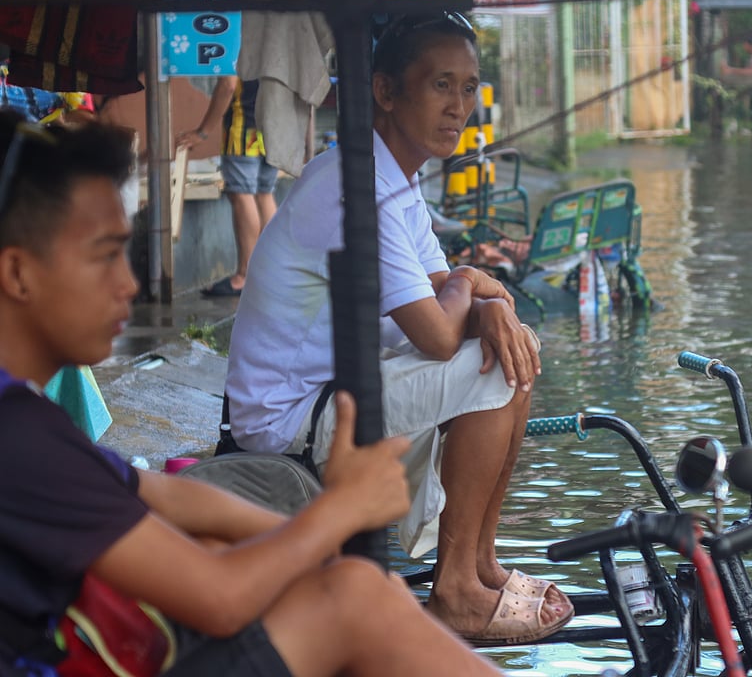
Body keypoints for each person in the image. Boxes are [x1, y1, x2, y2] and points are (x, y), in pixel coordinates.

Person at [0, 110, 505, 677]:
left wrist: (320, 547)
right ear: (18, 274)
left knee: (314, 569)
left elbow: (170, 497)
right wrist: (342, 512)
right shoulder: (16, 435)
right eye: (103, 255)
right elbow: (220, 598)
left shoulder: (27, 419)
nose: (129, 284)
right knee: (351, 600)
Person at [224, 11, 574, 645]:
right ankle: (455, 589)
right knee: (491, 367)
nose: (459, 107)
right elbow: (439, 333)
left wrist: (491, 306)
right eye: (441, 85)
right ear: (385, 91)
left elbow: (445, 292)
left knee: (512, 347)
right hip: (291, 421)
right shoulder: (354, 187)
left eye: (468, 87)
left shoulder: (394, 181)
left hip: (343, 391)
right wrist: (472, 283)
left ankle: (480, 563)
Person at [176, 77, 276, 297]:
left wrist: (202, 132)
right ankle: (270, 270)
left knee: (242, 194)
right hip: (273, 127)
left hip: (243, 127)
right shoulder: (277, 50)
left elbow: (228, 84)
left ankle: (245, 275)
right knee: (264, 193)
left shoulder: (238, 51)